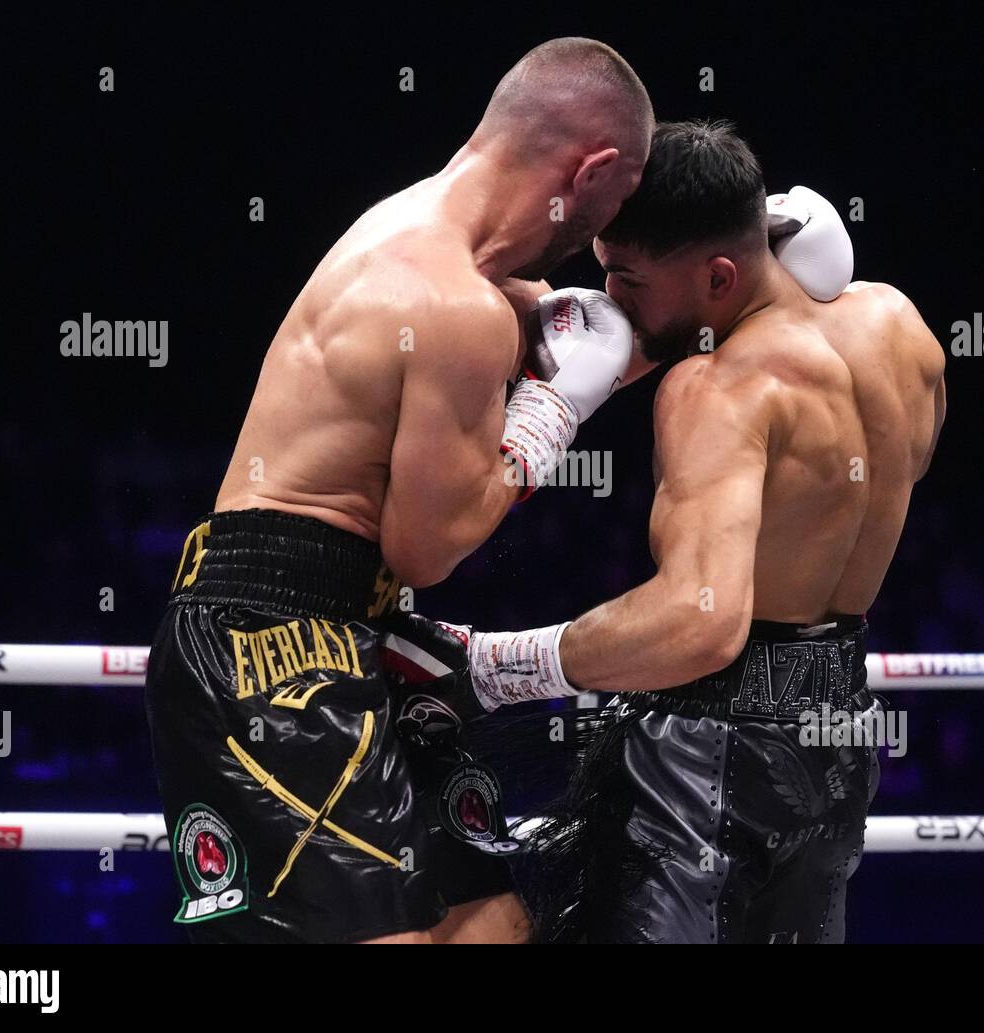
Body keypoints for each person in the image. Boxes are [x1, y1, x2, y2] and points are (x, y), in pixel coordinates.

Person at [144, 37, 653, 944]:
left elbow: (554, 321)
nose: (613, 236)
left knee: (490, 926)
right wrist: (551, 418)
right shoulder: (454, 307)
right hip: (267, 638)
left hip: (346, 621)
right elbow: (429, 547)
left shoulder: (419, 235)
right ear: (594, 167)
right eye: (623, 198)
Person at [390, 120, 946, 943]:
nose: (613, 305)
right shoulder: (899, 330)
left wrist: (491, 666)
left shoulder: (716, 390)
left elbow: (701, 619)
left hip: (711, 755)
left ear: (720, 273)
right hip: (837, 734)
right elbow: (869, 484)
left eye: (629, 281)